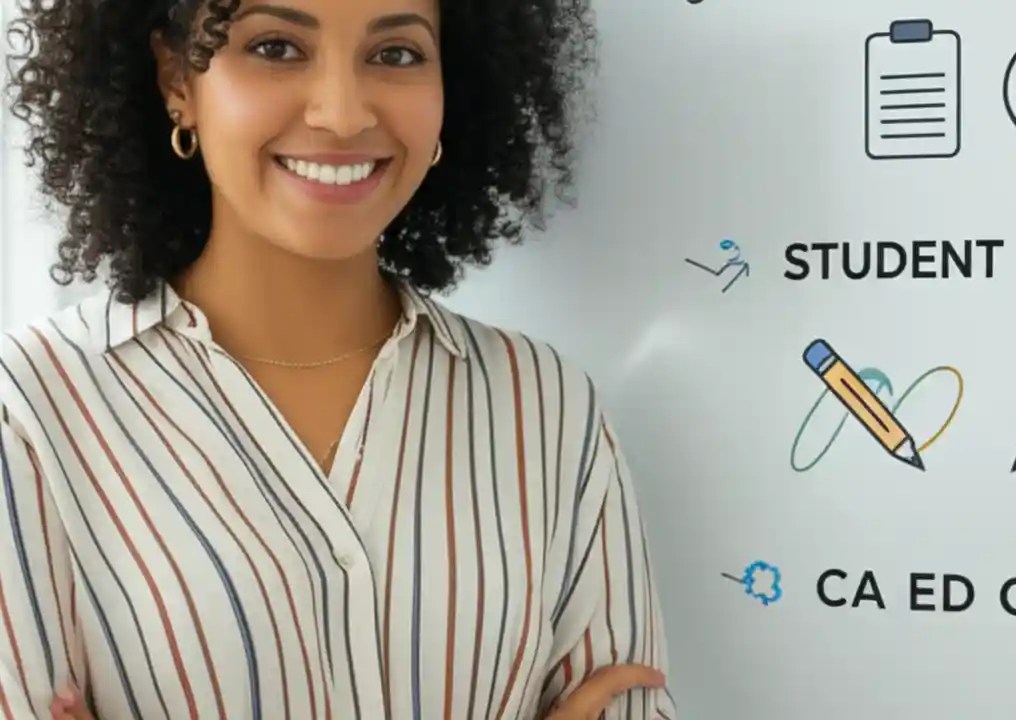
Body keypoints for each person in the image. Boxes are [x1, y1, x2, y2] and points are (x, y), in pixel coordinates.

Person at [1, 0, 675, 718]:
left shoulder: (545, 409)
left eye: (396, 55)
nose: (343, 113)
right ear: (177, 80)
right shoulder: (33, 412)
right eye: (276, 48)